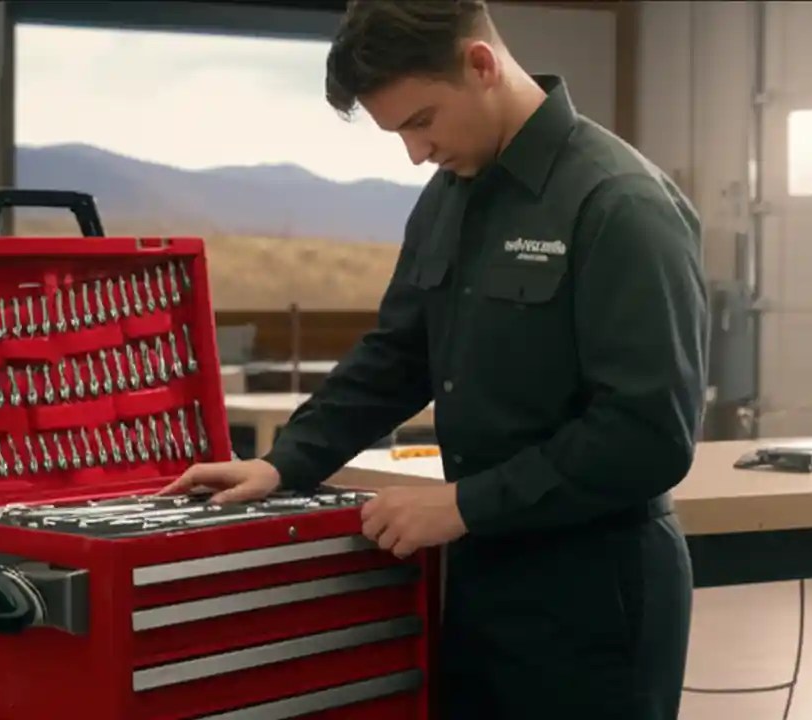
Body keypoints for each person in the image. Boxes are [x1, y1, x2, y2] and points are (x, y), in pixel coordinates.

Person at [159, 1, 709, 717]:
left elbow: (649, 434)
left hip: (595, 592)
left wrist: (464, 503)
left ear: (481, 65)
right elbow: (397, 355)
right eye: (399, 133)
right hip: (484, 573)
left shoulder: (619, 203)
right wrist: (285, 460)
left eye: (421, 122)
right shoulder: (450, 197)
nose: (416, 153)